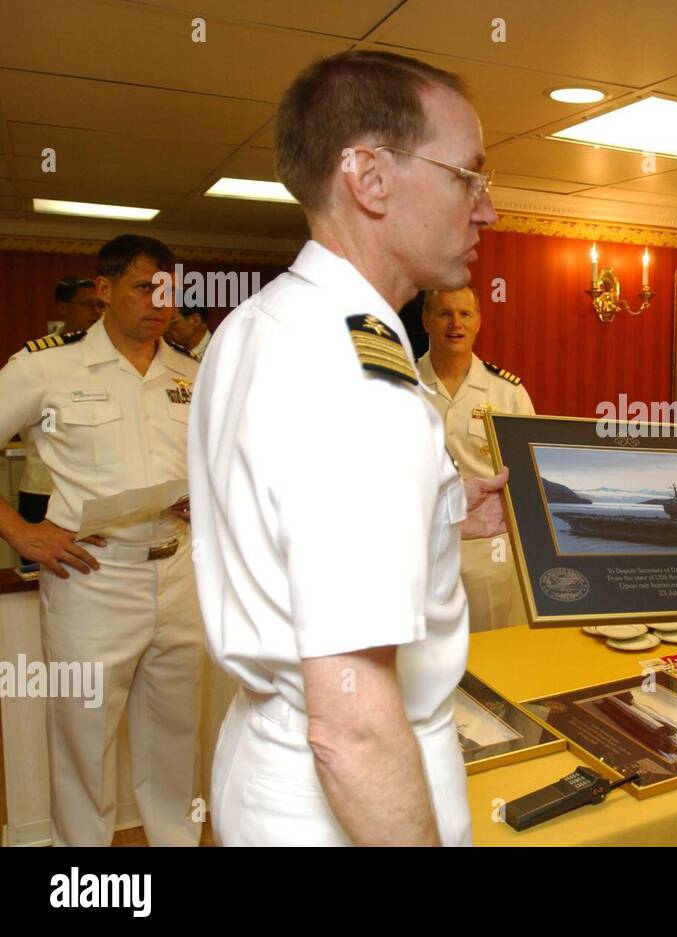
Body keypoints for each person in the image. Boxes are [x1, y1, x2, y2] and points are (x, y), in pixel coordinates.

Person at [189, 49, 505, 846]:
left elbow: (285, 519)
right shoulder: (355, 383)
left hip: (267, 758)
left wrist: (432, 513)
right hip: (339, 799)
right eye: (468, 177)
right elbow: (352, 727)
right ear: (369, 178)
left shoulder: (261, 324)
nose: (488, 210)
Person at [0, 235, 202, 846]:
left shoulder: (191, 375)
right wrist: (21, 532)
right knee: (84, 740)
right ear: (104, 290)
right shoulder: (47, 368)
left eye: (167, 290)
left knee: (174, 739)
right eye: (144, 287)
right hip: (92, 576)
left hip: (177, 571)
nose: (159, 302)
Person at [417, 285, 534, 631]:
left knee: (491, 658)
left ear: (478, 321)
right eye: (444, 313)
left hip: (489, 553)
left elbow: (528, 478)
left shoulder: (507, 393)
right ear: (426, 321)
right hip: (419, 547)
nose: (456, 323)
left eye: (465, 314)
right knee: (421, 660)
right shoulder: (399, 386)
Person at [12, 275, 103, 525]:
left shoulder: (113, 360)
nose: (96, 312)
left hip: (95, 492)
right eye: (86, 305)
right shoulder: (39, 358)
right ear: (63, 308)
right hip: (43, 487)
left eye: (100, 305)